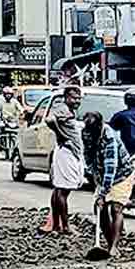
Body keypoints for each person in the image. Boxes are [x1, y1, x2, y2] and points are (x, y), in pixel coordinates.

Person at [82, 111, 134, 257]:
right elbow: (88, 157)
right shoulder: (86, 133)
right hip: (102, 173)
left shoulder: (109, 137)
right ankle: (109, 243)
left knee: (116, 208)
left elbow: (111, 168)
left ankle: (114, 247)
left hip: (121, 174)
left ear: (100, 126)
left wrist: (102, 194)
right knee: (100, 209)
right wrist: (95, 177)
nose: (89, 133)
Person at [44, 85, 85, 234]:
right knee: (63, 191)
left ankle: (56, 225)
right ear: (66, 97)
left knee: (58, 189)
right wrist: (61, 134)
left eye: (79, 98)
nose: (77, 101)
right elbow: (49, 120)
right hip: (66, 153)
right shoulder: (63, 109)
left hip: (68, 152)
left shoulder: (69, 111)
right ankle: (66, 226)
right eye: (74, 98)